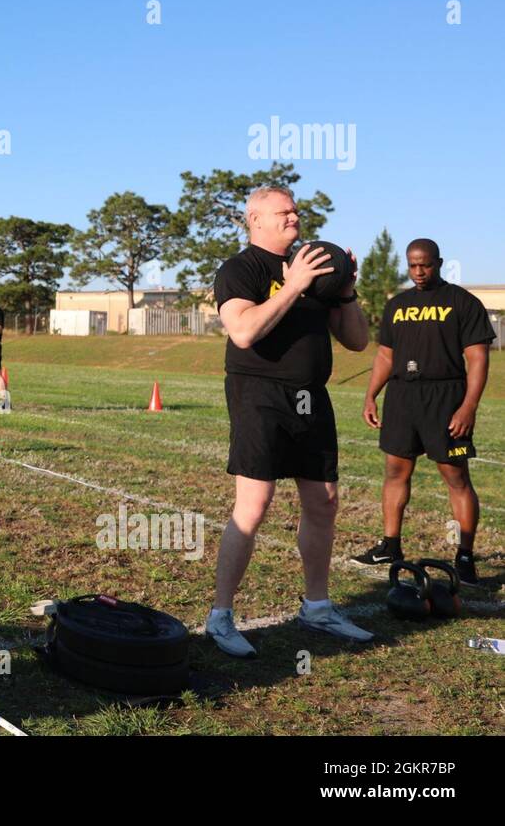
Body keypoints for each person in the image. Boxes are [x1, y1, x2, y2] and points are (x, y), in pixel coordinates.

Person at [206, 186, 373, 657]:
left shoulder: (314, 266)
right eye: (283, 211)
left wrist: (344, 291)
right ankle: (220, 616)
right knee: (255, 503)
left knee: (323, 500)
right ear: (255, 218)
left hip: (310, 396)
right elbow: (243, 331)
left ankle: (317, 607)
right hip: (258, 393)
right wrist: (294, 284)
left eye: (296, 211)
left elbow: (358, 341)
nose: (294, 217)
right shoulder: (241, 269)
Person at [353, 239, 495, 584]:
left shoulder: (462, 302)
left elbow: (477, 358)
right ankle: (390, 545)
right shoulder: (397, 305)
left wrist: (468, 406)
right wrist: (372, 394)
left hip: (445, 396)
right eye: (413, 265)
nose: (419, 272)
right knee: (395, 471)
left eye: (426, 265)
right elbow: (386, 356)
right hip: (402, 396)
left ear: (439, 262)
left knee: (455, 477)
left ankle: (463, 556)